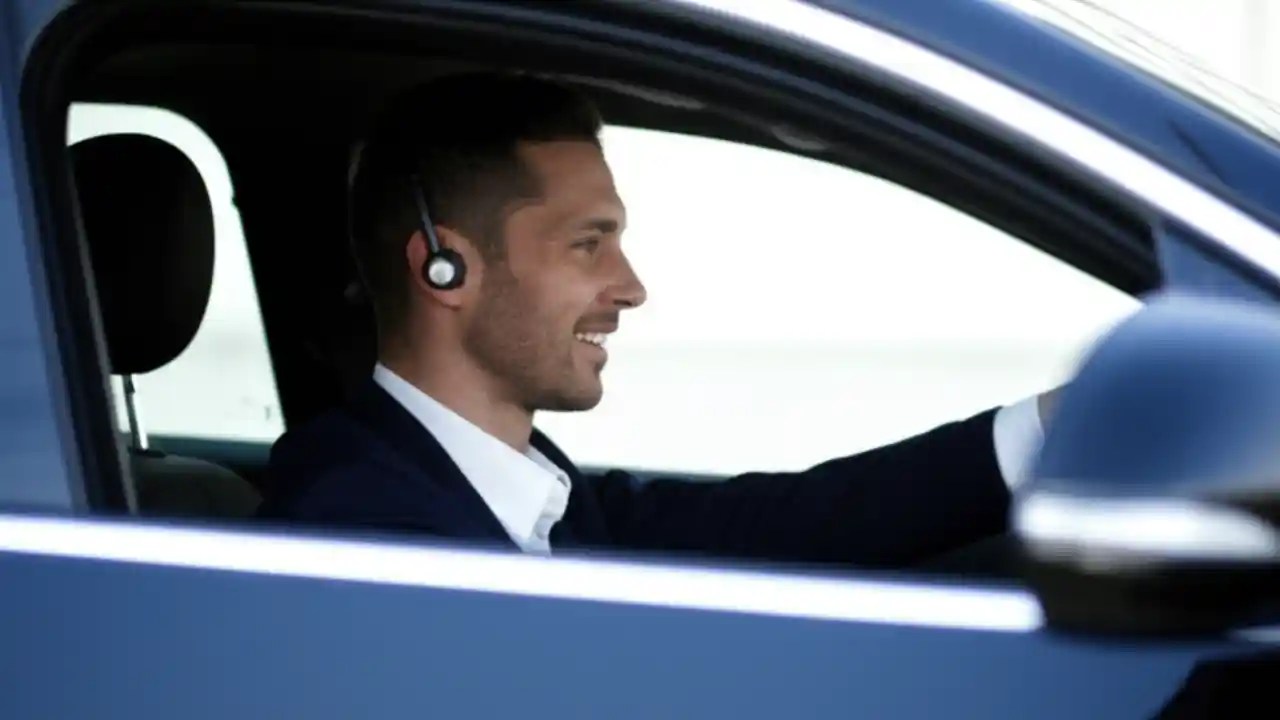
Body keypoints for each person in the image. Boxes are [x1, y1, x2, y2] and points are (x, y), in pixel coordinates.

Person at [258, 71, 1059, 567]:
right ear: (449, 269)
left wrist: (1060, 426)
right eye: (587, 245)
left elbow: (796, 522)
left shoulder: (534, 496)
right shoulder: (360, 539)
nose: (630, 287)